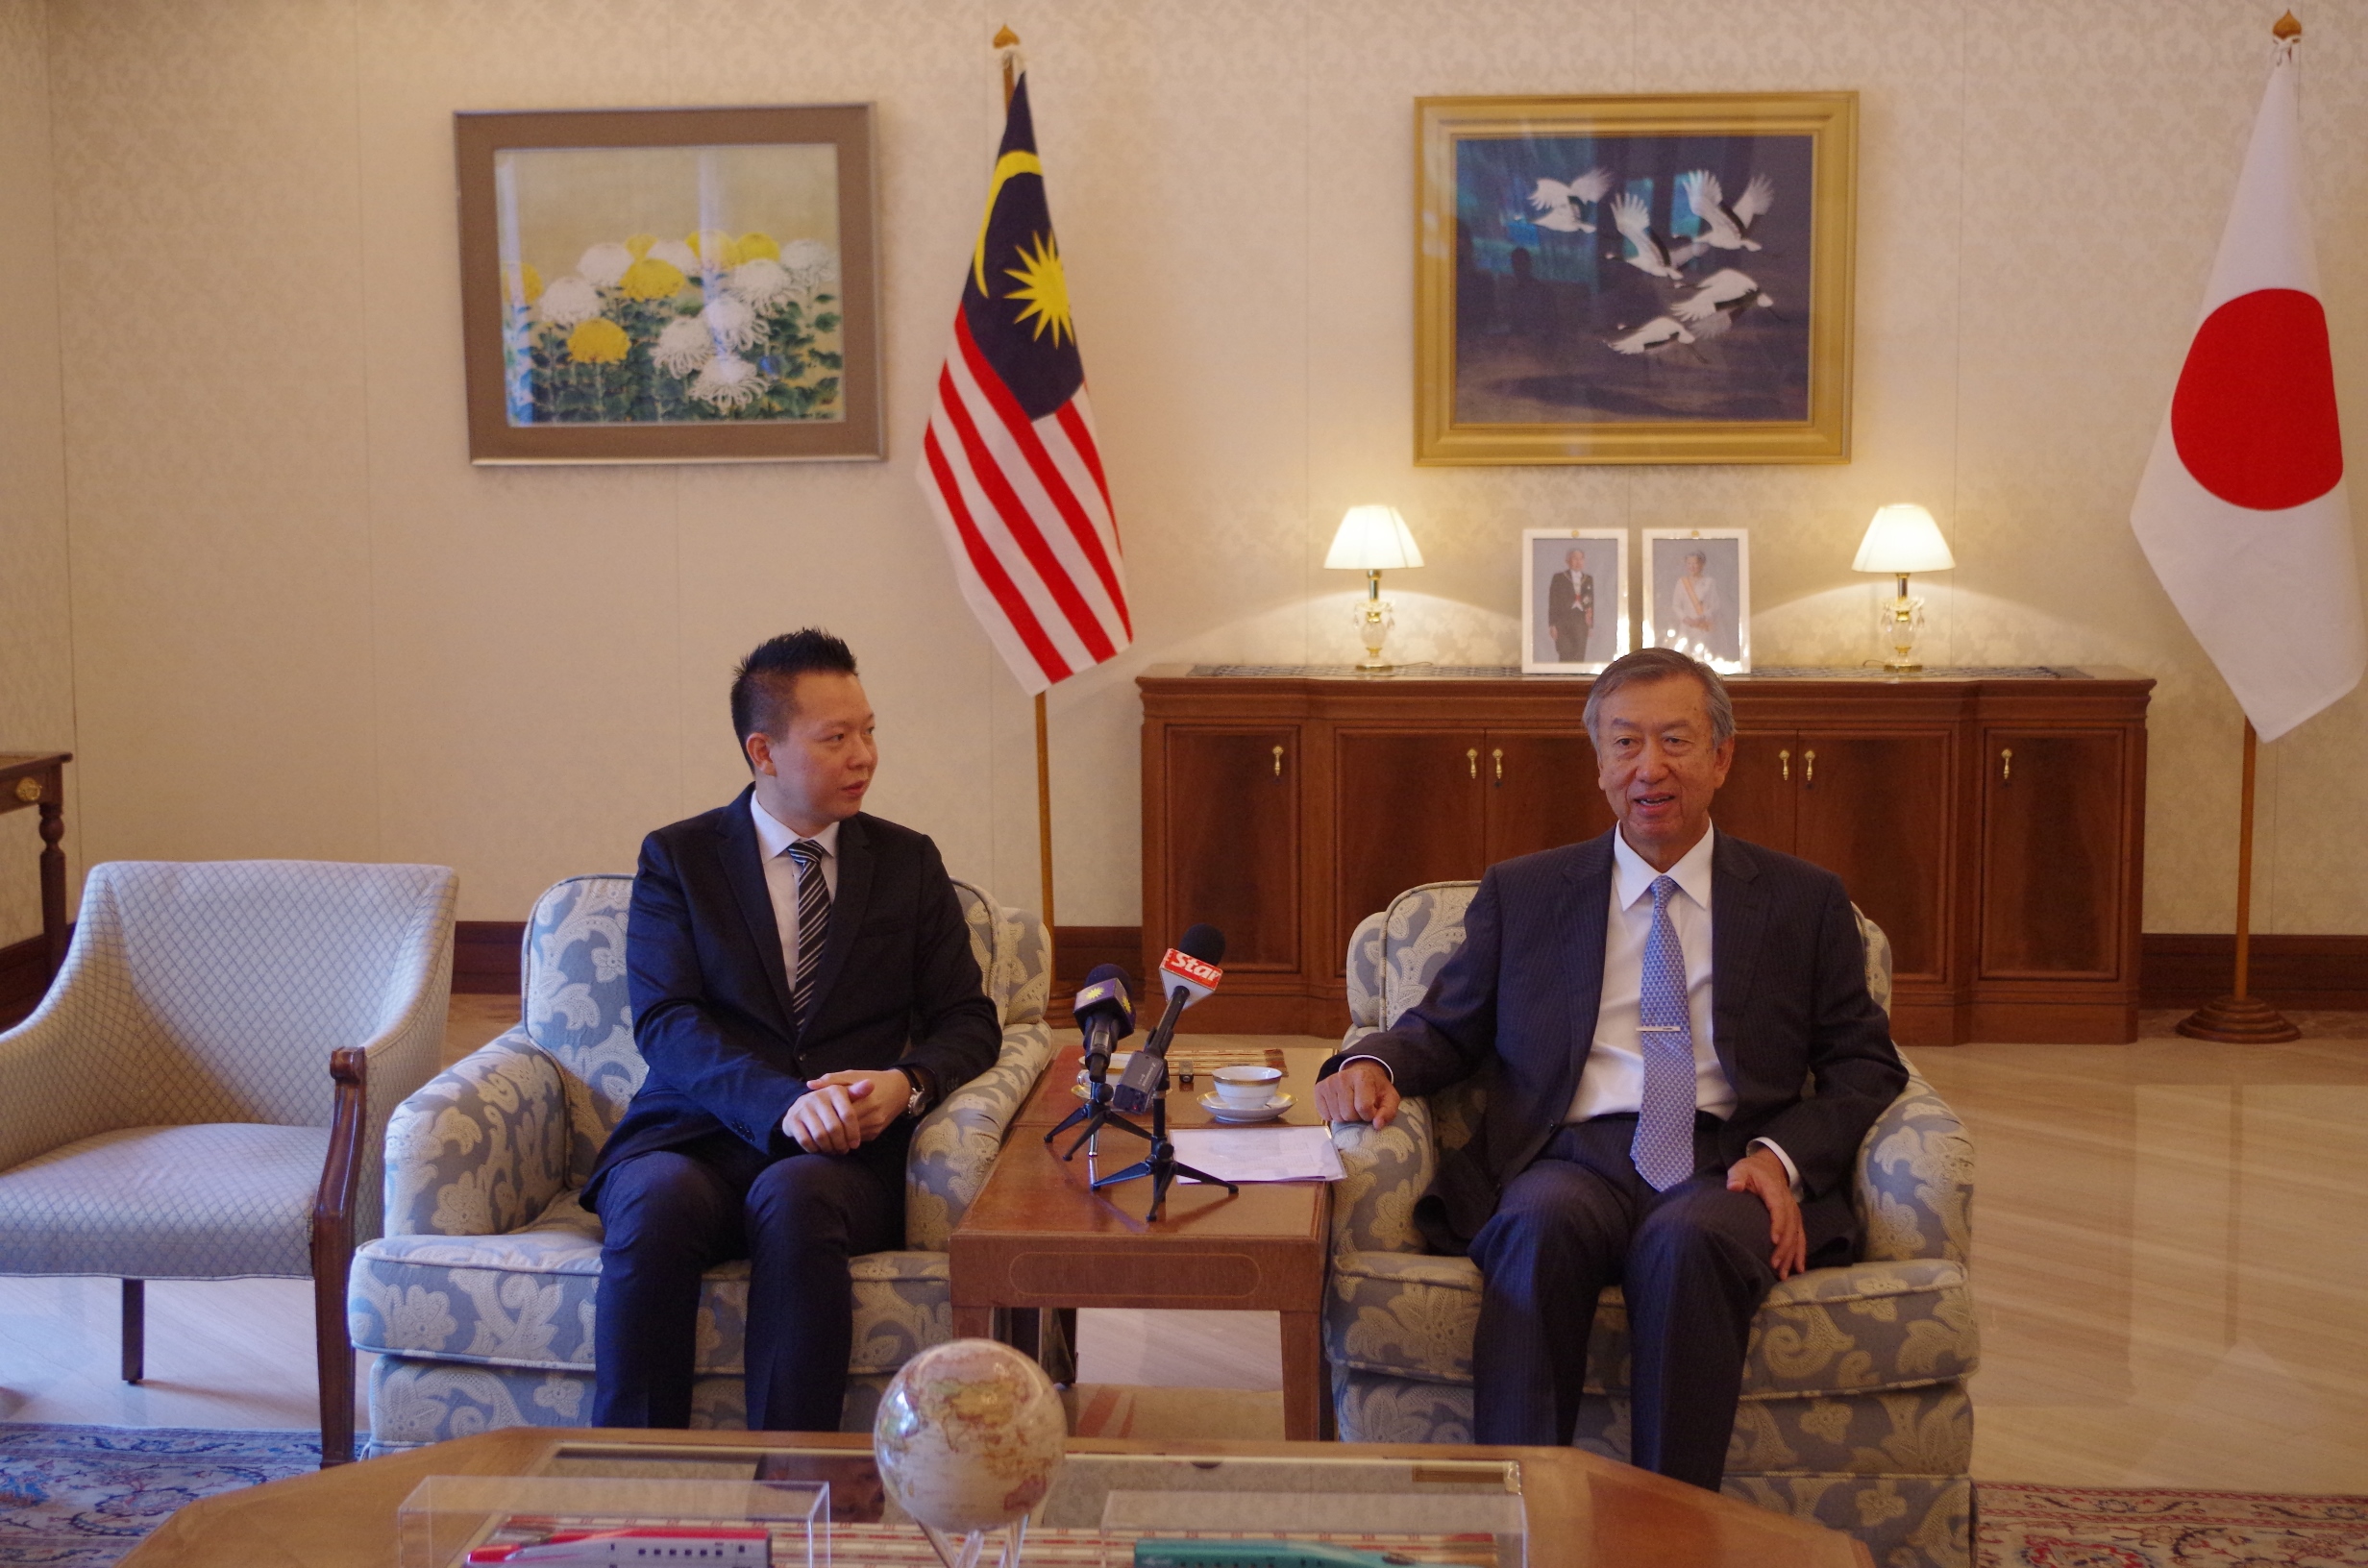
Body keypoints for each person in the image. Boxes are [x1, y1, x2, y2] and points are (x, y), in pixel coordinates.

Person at [1313, 648, 1904, 1490]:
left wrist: (1780, 1160)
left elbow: (1863, 1064)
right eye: (1625, 743)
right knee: (1538, 1226)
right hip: (1568, 1153)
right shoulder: (1526, 893)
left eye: (1675, 741)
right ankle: (1517, 1512)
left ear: (1722, 757)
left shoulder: (1803, 901)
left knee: (1692, 1242)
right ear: (1599, 762)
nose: (1649, 767)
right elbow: (1446, 1027)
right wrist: (1371, 1060)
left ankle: (1670, 1525)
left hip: (1724, 1161)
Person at [583, 629, 1000, 1432]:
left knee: (796, 1194)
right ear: (763, 752)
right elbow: (667, 1020)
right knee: (657, 1201)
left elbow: (968, 1019)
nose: (864, 756)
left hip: (840, 1155)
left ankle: (794, 1477)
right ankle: (635, 1473)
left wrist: (907, 1085)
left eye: (869, 731)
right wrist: (781, 1104)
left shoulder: (908, 862)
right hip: (694, 1135)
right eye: (835, 738)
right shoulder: (680, 858)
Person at [1546, 547, 1595, 663]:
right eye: (1575, 558)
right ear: (1567, 561)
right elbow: (1553, 601)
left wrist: (1590, 625)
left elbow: (1590, 602)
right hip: (1563, 620)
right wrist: (1552, 624)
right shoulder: (1559, 578)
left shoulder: (1588, 579)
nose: (1578, 562)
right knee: (1565, 652)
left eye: (1581, 559)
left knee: (1580, 653)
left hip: (1581, 620)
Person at [1670, 549, 1722, 655]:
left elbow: (1715, 605)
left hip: (1703, 626)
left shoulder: (1709, 582)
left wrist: (1703, 617)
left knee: (1702, 657)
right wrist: (1685, 618)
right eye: (1689, 563)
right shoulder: (1681, 582)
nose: (1692, 566)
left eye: (1695, 563)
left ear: (1702, 564)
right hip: (1686, 626)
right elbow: (1676, 605)